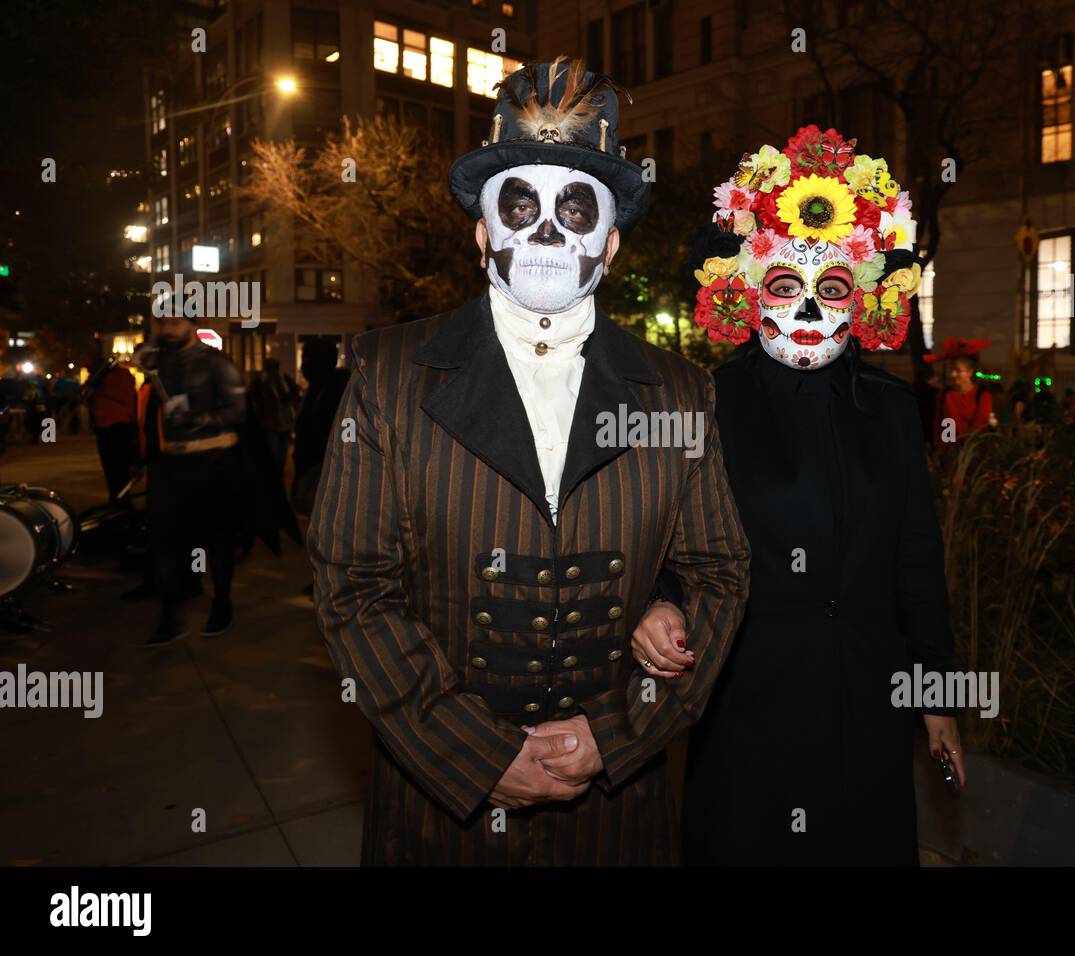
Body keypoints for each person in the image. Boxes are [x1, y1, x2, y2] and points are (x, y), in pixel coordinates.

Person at [306, 57, 750, 866]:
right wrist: (474, 755)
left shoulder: (680, 393)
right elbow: (353, 585)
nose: (548, 231)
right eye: (520, 204)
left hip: (616, 818)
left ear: (609, 244)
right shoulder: (389, 376)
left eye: (576, 210)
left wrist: (624, 725)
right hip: (443, 816)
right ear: (483, 232)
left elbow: (718, 570)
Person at [631, 126, 965, 865]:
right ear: (748, 291)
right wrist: (658, 603)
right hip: (751, 707)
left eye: (833, 287)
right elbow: (663, 540)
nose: (811, 307)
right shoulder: (707, 404)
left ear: (866, 292)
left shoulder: (888, 406)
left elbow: (916, 555)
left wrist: (936, 692)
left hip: (870, 708)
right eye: (787, 284)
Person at [136, 312, 246, 644]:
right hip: (171, 464)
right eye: (163, 323)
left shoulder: (215, 362)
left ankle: (222, 603)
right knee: (166, 541)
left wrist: (200, 418)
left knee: (217, 540)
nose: (169, 330)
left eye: (176, 323)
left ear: (192, 325)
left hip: (213, 462)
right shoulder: (158, 362)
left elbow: (238, 411)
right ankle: (171, 615)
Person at [289, 338, 349, 517]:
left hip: (326, 475)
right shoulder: (317, 389)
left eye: (308, 359)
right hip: (313, 470)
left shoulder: (337, 391)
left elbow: (348, 438)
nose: (303, 366)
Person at [88, 359, 138, 503]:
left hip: (119, 427)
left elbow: (123, 397)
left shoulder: (122, 375)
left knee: (119, 470)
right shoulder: (100, 377)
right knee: (110, 469)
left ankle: (122, 502)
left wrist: (101, 388)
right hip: (104, 427)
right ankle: (116, 499)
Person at [248, 357, 297, 481]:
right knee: (275, 454)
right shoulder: (261, 383)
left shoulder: (284, 380)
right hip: (271, 423)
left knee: (282, 455)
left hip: (284, 422)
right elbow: (255, 401)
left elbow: (294, 395)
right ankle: (275, 477)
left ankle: (277, 476)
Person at [935, 356, 993, 444]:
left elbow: (981, 425)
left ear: (970, 373)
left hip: (972, 449)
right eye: (951, 370)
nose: (953, 374)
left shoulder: (982, 395)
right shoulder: (945, 394)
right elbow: (938, 424)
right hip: (949, 449)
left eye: (958, 371)